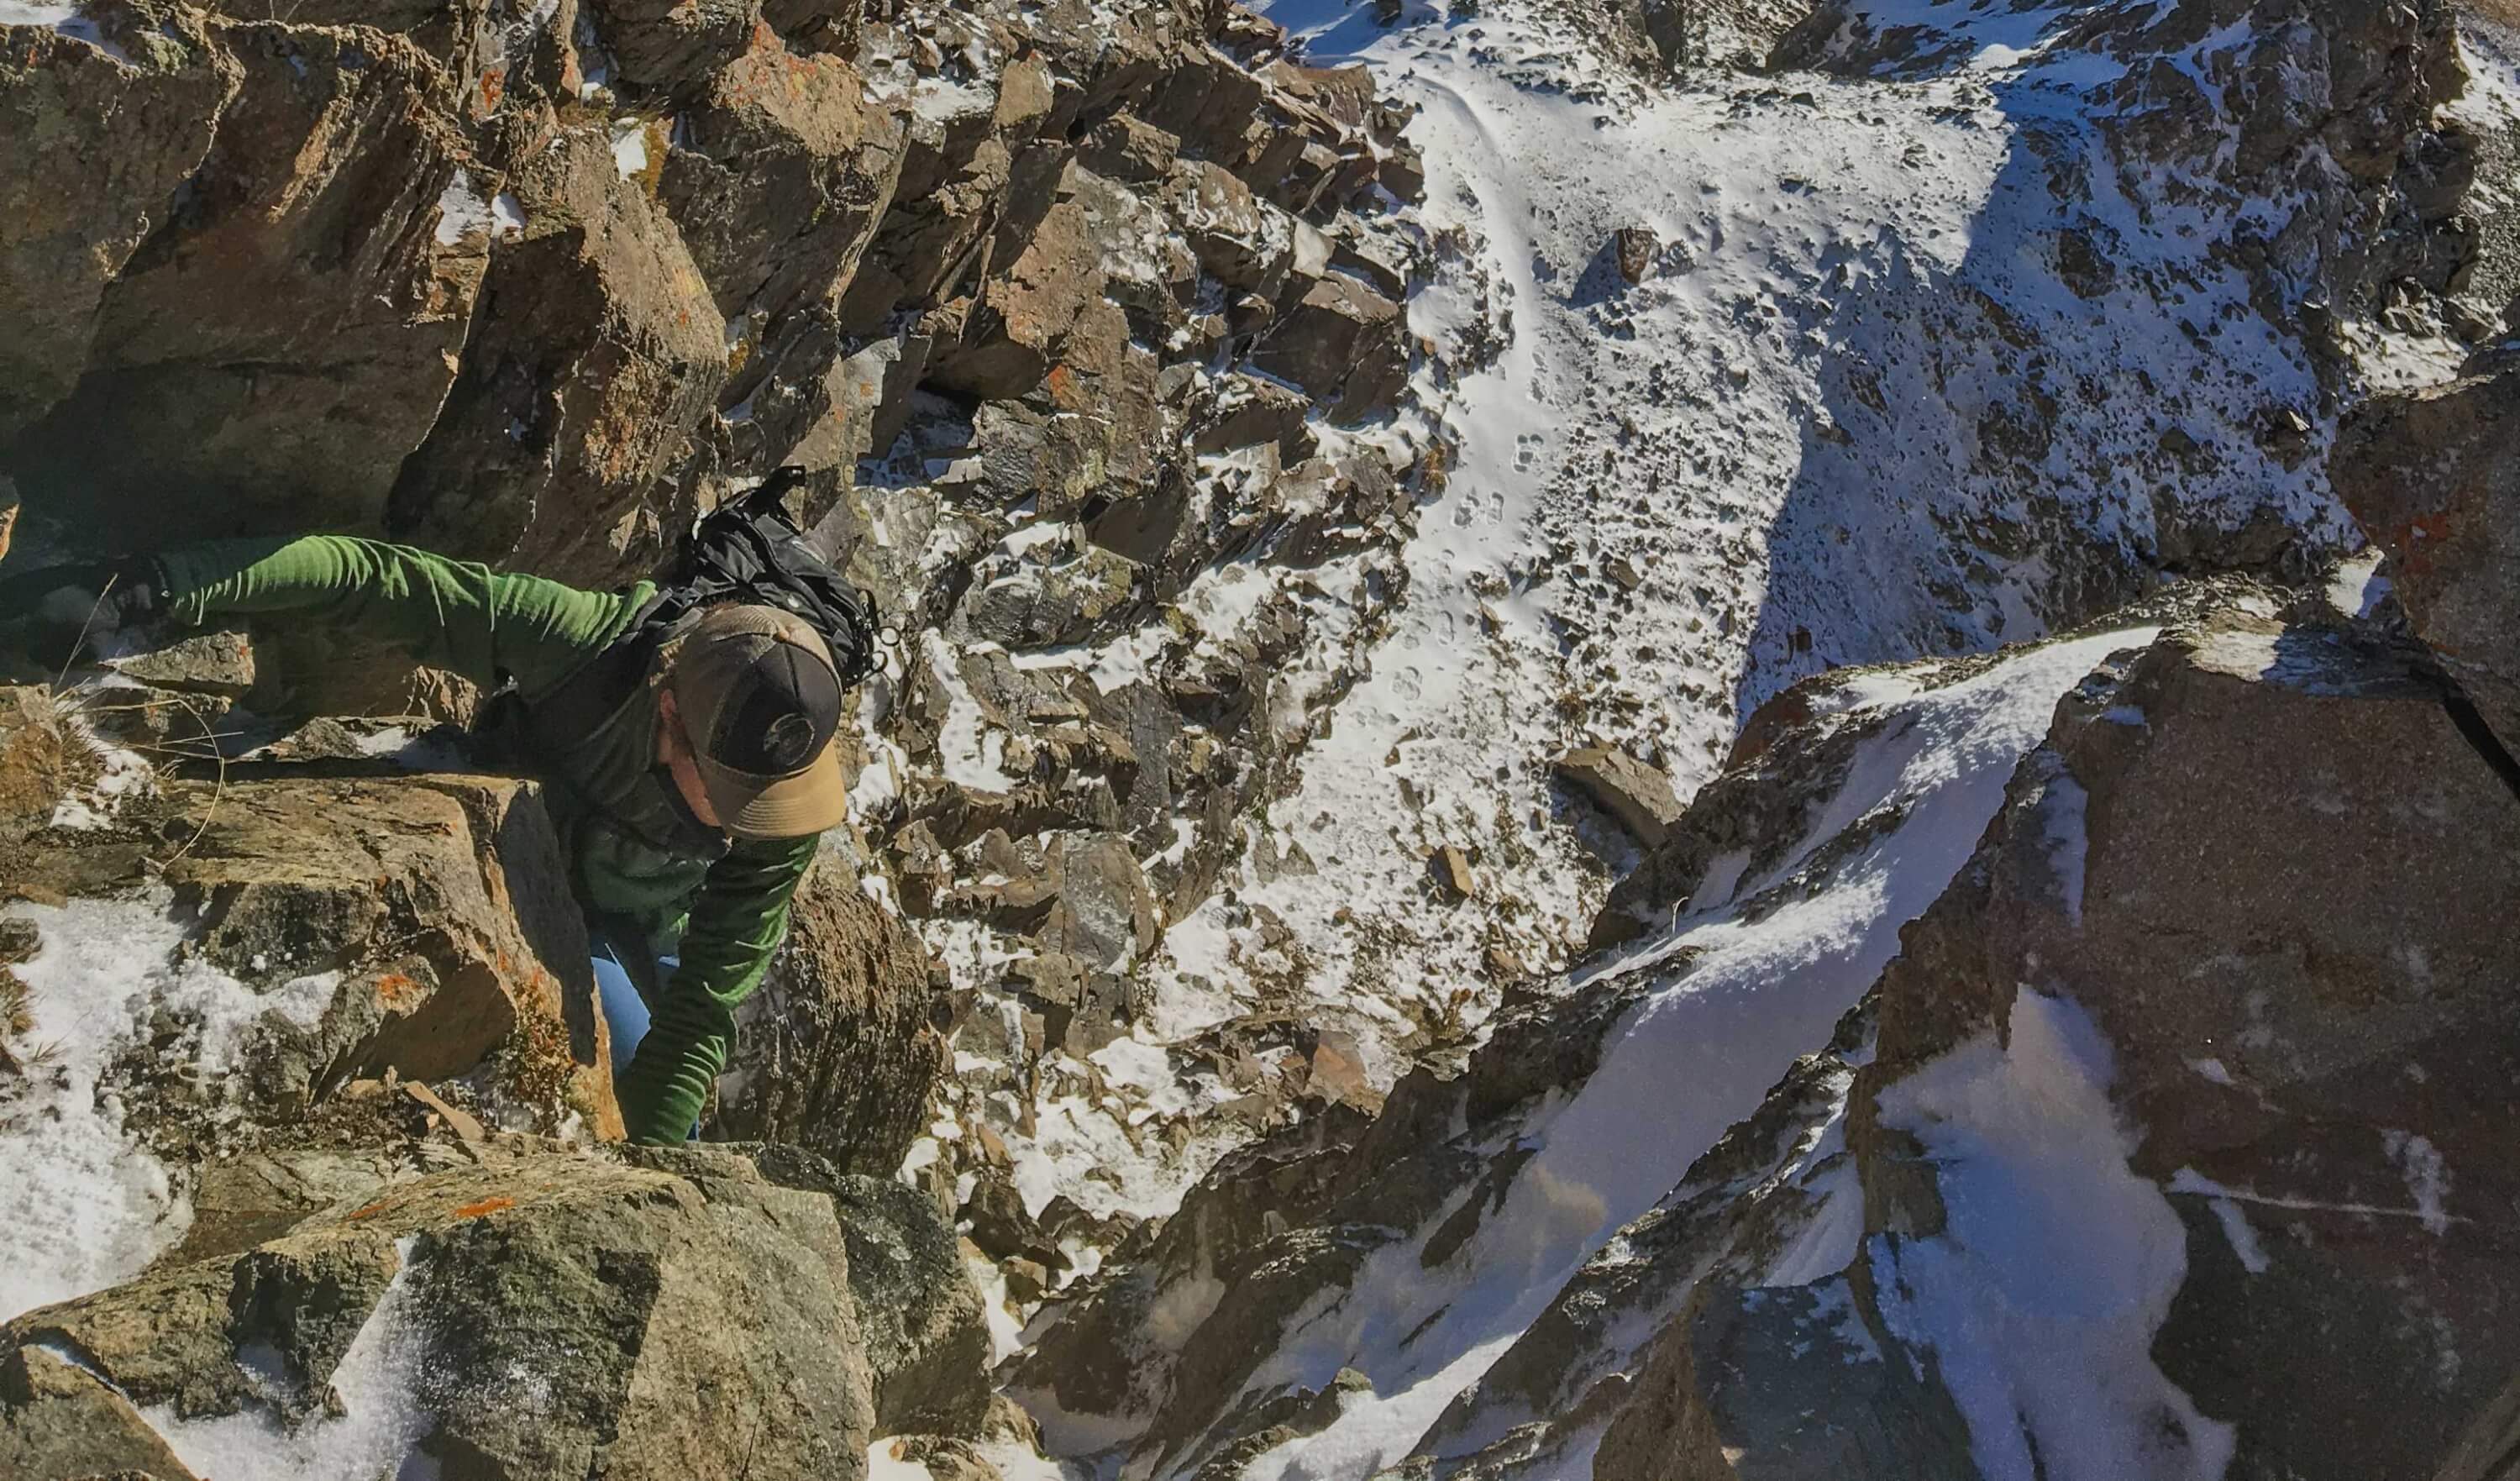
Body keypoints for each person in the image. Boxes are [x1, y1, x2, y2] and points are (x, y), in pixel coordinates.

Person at [0, 534, 858, 1146]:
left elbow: (705, 1001)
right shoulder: (589, 648)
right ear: (669, 710)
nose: (752, 819)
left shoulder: (787, 794)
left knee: (670, 1109)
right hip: (541, 881)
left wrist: (654, 1182)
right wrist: (154, 588)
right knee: (605, 1051)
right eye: (731, 792)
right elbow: (380, 581)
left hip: (650, 909)